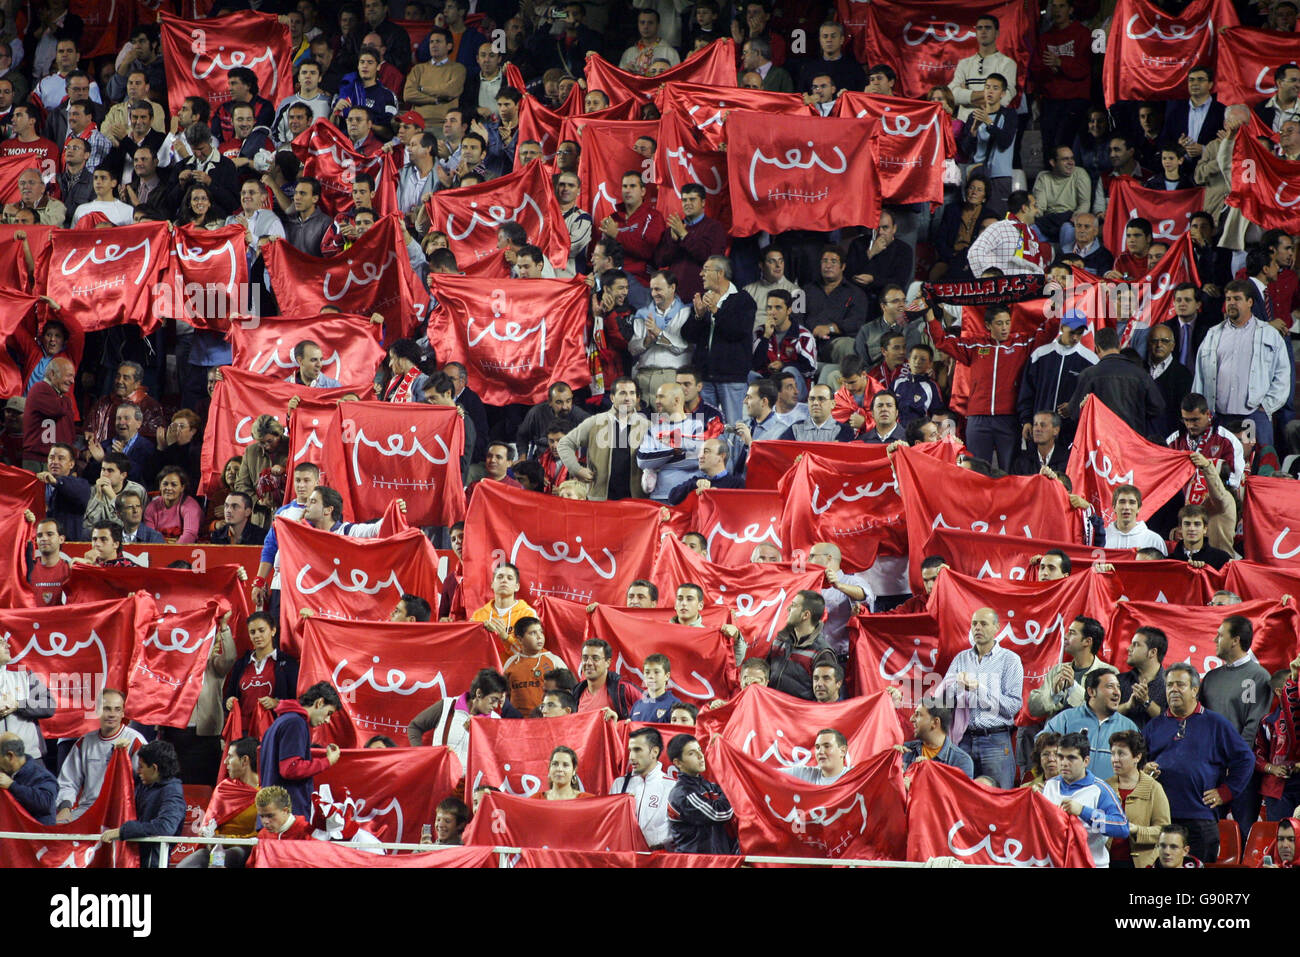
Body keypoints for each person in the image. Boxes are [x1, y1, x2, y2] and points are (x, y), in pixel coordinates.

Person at [1142, 663, 1253, 863]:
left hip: (1200, 818)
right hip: (1161, 818)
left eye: (1180, 685)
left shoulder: (1216, 723)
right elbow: (1138, 763)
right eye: (1169, 685)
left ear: (1195, 690)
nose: (1173, 689)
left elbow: (1246, 759)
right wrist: (1145, 769)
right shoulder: (1154, 726)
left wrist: (1226, 792)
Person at [1192, 280, 1290, 449]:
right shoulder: (1213, 334)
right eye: (1228, 299)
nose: (1231, 303)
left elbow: (1282, 374)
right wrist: (1201, 410)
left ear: (1250, 302)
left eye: (1237, 298)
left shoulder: (1269, 334)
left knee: (1257, 465)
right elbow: (1200, 375)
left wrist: (1265, 406)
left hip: (1254, 416)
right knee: (1221, 465)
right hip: (1219, 417)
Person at [1201, 615, 1273, 837]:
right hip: (1211, 768)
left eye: (1220, 635)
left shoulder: (1258, 676)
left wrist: (1236, 759)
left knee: (1244, 829)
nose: (1215, 639)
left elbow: (1254, 722)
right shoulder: (1211, 678)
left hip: (1242, 769)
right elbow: (1201, 720)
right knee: (1208, 827)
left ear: (1235, 640)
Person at [941, 607, 1024, 788]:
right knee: (960, 797)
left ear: (997, 627)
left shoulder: (1010, 660)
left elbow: (1013, 705)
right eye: (974, 624)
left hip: (995, 740)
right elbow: (944, 698)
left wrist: (979, 688)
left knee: (1000, 801)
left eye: (983, 624)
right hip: (963, 740)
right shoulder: (960, 659)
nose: (977, 628)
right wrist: (955, 686)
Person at [56, 689, 145, 822]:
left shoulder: (136, 741)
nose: (112, 714)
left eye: (117, 709)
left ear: (122, 713)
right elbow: (68, 781)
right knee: (58, 830)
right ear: (97, 711)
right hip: (88, 808)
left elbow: (147, 779)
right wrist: (65, 808)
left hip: (124, 810)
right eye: (107, 709)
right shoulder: (84, 742)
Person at [1041, 732, 1129, 867]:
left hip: (1091, 864)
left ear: (1086, 761)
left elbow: (1122, 828)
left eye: (1071, 758)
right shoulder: (1050, 785)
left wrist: (1083, 811)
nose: (1064, 763)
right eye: (1060, 757)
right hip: (1054, 863)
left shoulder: (1100, 790)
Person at [557, 377, 649, 502]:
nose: (628, 398)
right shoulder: (595, 422)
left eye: (632, 393)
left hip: (635, 501)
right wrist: (576, 469)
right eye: (622, 393)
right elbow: (564, 444)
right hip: (600, 500)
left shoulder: (647, 426)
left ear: (637, 398)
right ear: (612, 398)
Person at [258, 681, 342, 816]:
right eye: (329, 713)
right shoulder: (295, 723)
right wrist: (327, 761)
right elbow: (291, 768)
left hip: (274, 815)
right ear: (319, 703)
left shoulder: (280, 722)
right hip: (287, 817)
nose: (327, 720)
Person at [100, 739, 185, 869]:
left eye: (141, 766)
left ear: (154, 768)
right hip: (130, 858)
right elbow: (120, 776)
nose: (138, 771)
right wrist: (117, 752)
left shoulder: (172, 793)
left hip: (152, 862)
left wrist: (122, 831)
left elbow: (165, 827)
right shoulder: (145, 784)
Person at [1040, 671, 1140, 780]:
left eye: (1118, 687)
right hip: (1069, 792)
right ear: (1091, 691)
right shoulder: (1066, 719)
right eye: (1110, 686)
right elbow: (1041, 746)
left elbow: (1137, 765)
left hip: (1110, 794)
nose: (1117, 692)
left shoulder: (1129, 727)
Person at [224, 612, 300, 742]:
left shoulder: (288, 663)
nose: (257, 636)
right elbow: (228, 695)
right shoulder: (241, 664)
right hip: (243, 733)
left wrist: (277, 703)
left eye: (261, 630)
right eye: (252, 632)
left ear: (273, 631)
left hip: (275, 730)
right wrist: (229, 701)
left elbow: (299, 701)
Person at [406, 669, 506, 767]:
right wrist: (422, 757)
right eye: (493, 700)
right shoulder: (447, 706)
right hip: (440, 778)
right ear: (479, 693)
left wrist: (477, 734)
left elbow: (498, 758)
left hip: (474, 782)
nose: (495, 705)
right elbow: (414, 727)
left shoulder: (495, 720)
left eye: (498, 701)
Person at [1029, 615, 1117, 720]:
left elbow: (1103, 710)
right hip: (1056, 735)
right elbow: (1033, 709)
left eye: (1072, 633)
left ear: (1087, 641)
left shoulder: (1109, 673)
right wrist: (1053, 694)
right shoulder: (1058, 670)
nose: (1065, 636)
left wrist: (1073, 687)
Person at [1107, 730, 1171, 869]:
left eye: (1121, 754)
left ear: (1137, 757)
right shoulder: (1104, 787)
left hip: (1141, 863)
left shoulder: (1153, 788)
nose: (1115, 759)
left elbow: (1165, 831)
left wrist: (1137, 830)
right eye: (1112, 753)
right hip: (1105, 861)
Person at [666, 733, 738, 854]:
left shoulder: (708, 785)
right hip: (697, 863)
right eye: (692, 753)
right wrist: (731, 788)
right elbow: (721, 813)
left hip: (716, 862)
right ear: (678, 763)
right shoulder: (682, 794)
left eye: (700, 750)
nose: (700, 756)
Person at [762, 591, 836, 701]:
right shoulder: (779, 640)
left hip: (799, 715)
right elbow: (765, 671)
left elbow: (827, 698)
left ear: (805, 615)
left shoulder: (822, 652)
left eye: (793, 605)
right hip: (772, 711)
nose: (788, 609)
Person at [611, 727, 675, 848]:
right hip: (625, 859)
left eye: (637, 750)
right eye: (630, 750)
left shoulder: (672, 787)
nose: (631, 757)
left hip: (658, 861)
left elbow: (680, 832)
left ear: (654, 752)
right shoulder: (619, 784)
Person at [470, 563, 538, 659]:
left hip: (515, 672)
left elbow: (531, 652)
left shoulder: (528, 614)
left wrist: (504, 636)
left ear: (517, 587)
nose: (504, 580)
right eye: (500, 577)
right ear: (492, 584)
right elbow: (470, 649)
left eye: (509, 578)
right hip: (486, 672)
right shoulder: (478, 615)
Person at [501, 618, 567, 716]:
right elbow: (504, 696)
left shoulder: (554, 661)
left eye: (541, 632)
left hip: (546, 721)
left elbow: (568, 693)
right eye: (533, 633)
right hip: (518, 723)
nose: (539, 637)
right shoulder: (510, 663)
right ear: (519, 639)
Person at [898, 700, 975, 777]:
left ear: (935, 722)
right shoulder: (903, 751)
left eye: (918, 715)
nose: (911, 719)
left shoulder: (961, 761)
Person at [1115, 626, 1169, 730]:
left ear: (1152, 652)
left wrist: (1146, 702)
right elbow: (1104, 715)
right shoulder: (1118, 681)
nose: (1129, 648)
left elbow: (1172, 722)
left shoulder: (1170, 685)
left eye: (1136, 644)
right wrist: (1127, 706)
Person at [573, 638, 641, 720]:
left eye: (595, 658)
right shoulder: (576, 693)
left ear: (607, 662)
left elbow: (651, 711)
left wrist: (619, 724)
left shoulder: (624, 688)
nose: (589, 663)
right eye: (585, 658)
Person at [0, 732, 57, 823]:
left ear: (10, 756)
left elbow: (45, 804)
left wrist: (12, 786)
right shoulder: (6, 771)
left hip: (34, 833)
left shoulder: (42, 775)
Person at [143, 467, 204, 544]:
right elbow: (149, 536)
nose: (169, 488)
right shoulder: (151, 507)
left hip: (185, 550)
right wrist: (165, 545)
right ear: (160, 486)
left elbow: (190, 535)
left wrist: (173, 550)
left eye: (174, 485)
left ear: (182, 487)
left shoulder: (191, 506)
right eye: (165, 484)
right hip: (159, 550)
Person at [1104, 484, 1167, 553]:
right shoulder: (1102, 538)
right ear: (1114, 507)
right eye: (1122, 502)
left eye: (1132, 502)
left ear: (1139, 508)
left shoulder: (1154, 540)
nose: (1126, 507)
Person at [1167, 504, 1232, 569]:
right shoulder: (1169, 563)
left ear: (1205, 529)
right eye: (1187, 524)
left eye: (1197, 524)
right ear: (1180, 528)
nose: (1192, 528)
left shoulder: (1222, 560)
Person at [783, 728, 850, 784]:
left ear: (843, 751)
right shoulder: (804, 774)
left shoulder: (855, 778)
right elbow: (773, 775)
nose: (820, 752)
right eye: (817, 747)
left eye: (827, 746)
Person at [629, 654, 683, 723]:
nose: (651, 676)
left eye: (656, 672)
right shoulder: (637, 705)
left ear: (667, 676)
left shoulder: (675, 705)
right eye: (647, 672)